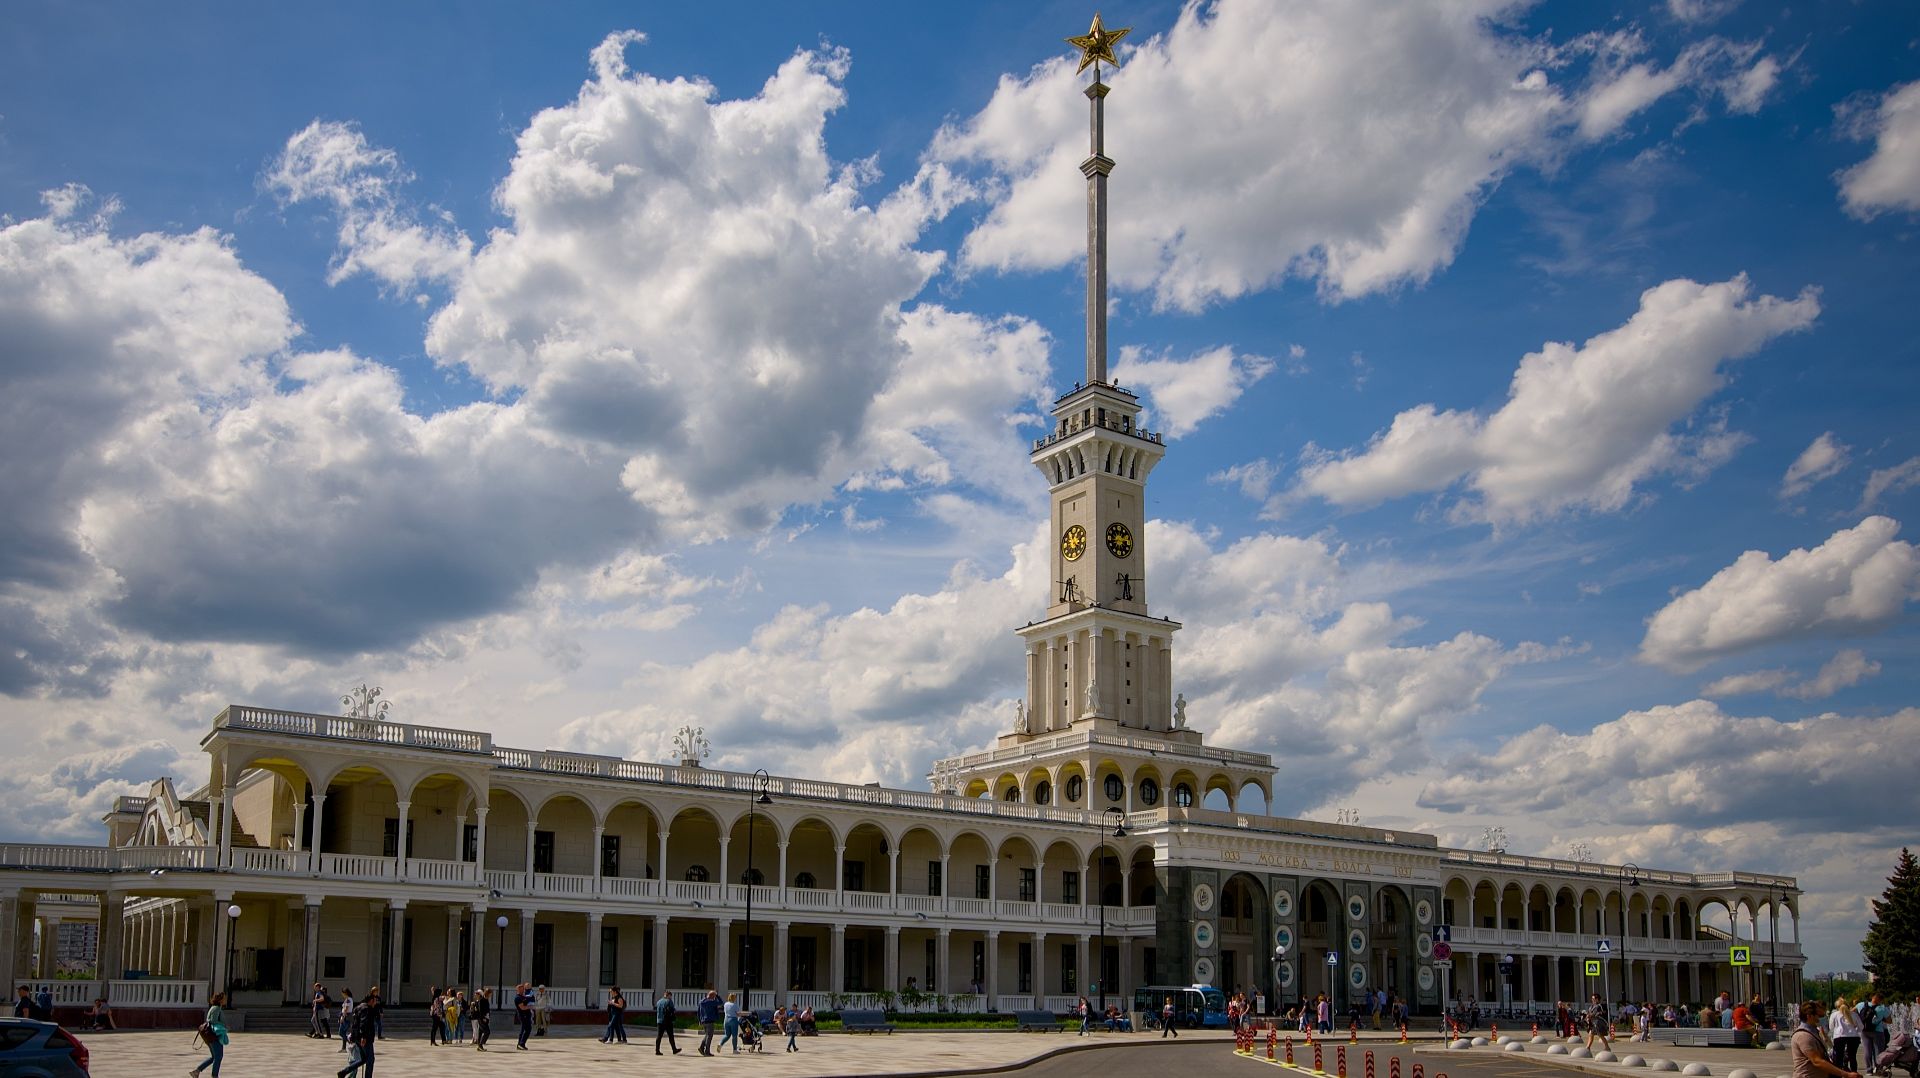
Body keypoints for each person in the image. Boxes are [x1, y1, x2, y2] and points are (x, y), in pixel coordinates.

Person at [1793, 1001, 1861, 1078]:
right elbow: (1817, 1061)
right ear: (1809, 1016)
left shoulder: (1813, 1032)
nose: (1819, 1018)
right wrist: (1846, 1074)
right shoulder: (1803, 1036)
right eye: (1817, 1015)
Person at [338, 985, 382, 1078]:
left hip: (357, 1037)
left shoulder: (358, 1007)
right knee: (370, 1060)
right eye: (375, 1001)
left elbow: (355, 1023)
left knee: (363, 1059)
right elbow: (363, 1023)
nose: (376, 1003)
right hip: (365, 1038)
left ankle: (344, 1072)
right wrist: (363, 1037)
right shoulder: (367, 1009)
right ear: (370, 1001)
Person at [190, 991, 229, 1078]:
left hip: (210, 1035)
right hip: (214, 1035)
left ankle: (197, 1071)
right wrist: (223, 1026)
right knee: (218, 1056)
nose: (225, 999)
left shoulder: (214, 1007)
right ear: (220, 1000)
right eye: (224, 998)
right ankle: (214, 1076)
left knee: (214, 1057)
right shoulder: (216, 1008)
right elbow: (213, 1021)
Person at [1830, 994, 1862, 1073]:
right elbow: (1861, 1027)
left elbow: (1831, 1027)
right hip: (1853, 1037)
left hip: (1839, 1036)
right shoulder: (1854, 1015)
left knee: (1839, 1057)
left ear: (1837, 1007)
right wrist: (1855, 1030)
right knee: (1852, 1057)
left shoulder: (1834, 1015)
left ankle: (1839, 1073)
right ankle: (1854, 1073)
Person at [655, 989, 682, 1055]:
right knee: (671, 1036)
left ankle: (657, 1050)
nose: (671, 997)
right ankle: (674, 1049)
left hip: (659, 1021)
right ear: (669, 995)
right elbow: (672, 1010)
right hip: (668, 1021)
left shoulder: (659, 1002)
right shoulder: (669, 1001)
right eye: (670, 996)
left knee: (659, 1036)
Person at [697, 987, 722, 1055]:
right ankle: (706, 1051)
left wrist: (699, 1020)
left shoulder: (701, 1001)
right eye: (714, 996)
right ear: (712, 996)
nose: (714, 997)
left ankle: (702, 1047)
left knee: (707, 1035)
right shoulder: (711, 1002)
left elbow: (698, 1012)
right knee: (709, 1036)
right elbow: (720, 1002)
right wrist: (717, 996)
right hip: (710, 1021)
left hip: (703, 1021)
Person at [471, 986, 492, 1051]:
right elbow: (480, 1010)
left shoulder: (486, 1000)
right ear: (487, 993)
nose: (491, 995)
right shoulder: (482, 1000)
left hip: (485, 1018)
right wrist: (483, 1018)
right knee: (487, 1032)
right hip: (482, 1018)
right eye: (490, 993)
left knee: (480, 1032)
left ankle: (479, 1046)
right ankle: (481, 1044)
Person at [515, 982, 534, 1050]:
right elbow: (522, 1007)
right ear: (518, 990)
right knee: (527, 1029)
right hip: (523, 1015)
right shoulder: (518, 998)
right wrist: (530, 1006)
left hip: (527, 1015)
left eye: (523, 989)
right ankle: (521, 1043)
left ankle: (520, 1044)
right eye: (522, 989)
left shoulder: (523, 996)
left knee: (524, 1029)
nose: (523, 990)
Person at [338, 988, 355, 1052]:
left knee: (341, 1032)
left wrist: (342, 1017)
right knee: (343, 1032)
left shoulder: (348, 999)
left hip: (346, 1017)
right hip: (346, 1016)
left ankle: (351, 1042)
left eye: (342, 993)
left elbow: (346, 1009)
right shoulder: (348, 999)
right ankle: (344, 1048)